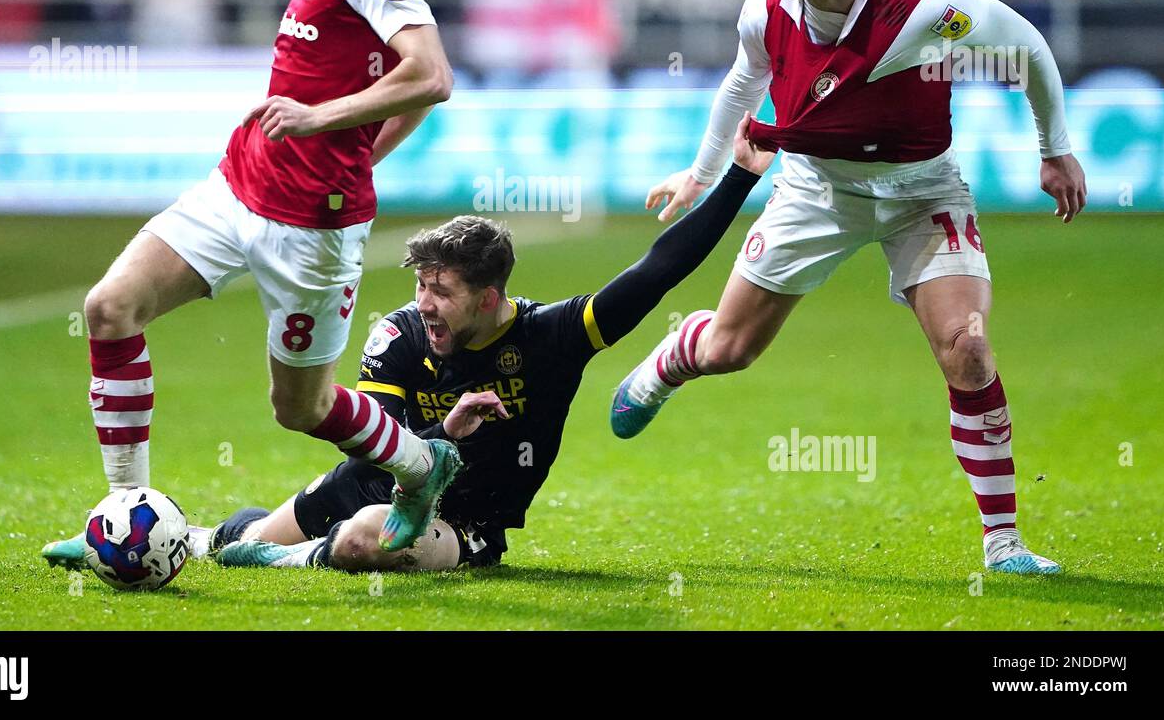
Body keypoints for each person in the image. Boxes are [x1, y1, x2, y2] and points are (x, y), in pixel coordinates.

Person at [611, 0, 1087, 577]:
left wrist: (1055, 150)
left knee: (968, 348)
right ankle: (675, 355)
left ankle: (1004, 542)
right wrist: (701, 173)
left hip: (923, 192)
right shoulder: (765, 9)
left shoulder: (929, 6)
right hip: (814, 190)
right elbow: (745, 79)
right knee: (730, 352)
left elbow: (1024, 46)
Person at [42, 0, 460, 569]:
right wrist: (348, 144)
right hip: (236, 189)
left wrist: (319, 122)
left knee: (300, 408)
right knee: (109, 309)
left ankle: (422, 464)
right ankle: (124, 516)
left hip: (311, 231)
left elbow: (431, 76)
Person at [189, 119, 774, 572]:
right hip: (369, 481)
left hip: (465, 520)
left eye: (440, 291)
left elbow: (657, 271)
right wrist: (448, 431)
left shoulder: (554, 335)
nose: (423, 303)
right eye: (420, 285)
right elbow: (374, 453)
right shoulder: (397, 336)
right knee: (238, 540)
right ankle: (210, 538)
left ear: (490, 297)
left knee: (368, 541)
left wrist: (739, 178)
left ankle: (293, 554)